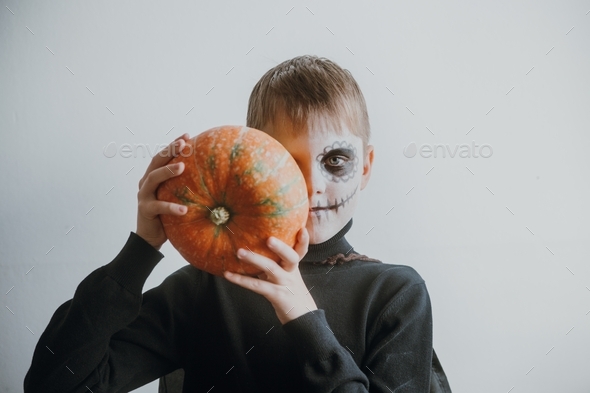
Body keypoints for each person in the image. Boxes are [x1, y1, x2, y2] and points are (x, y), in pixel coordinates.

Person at [24, 55, 452, 392]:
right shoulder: (201, 289)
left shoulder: (396, 294)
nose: (312, 187)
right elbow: (54, 384)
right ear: (250, 157)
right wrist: (140, 251)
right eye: (287, 162)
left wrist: (305, 319)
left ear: (365, 167)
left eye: (336, 160)